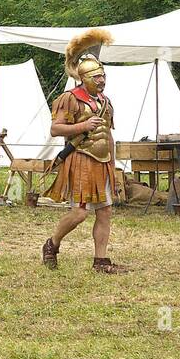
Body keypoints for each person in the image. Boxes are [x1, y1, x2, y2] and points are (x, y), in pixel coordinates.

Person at [42, 28, 127, 274]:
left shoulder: (105, 101)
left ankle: (100, 261)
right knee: (79, 213)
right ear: (84, 78)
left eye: (103, 76)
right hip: (81, 160)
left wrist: (113, 162)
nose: (101, 80)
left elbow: (108, 133)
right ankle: (51, 244)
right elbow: (56, 129)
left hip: (103, 162)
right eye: (96, 77)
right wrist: (83, 125)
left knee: (105, 211)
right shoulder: (70, 98)